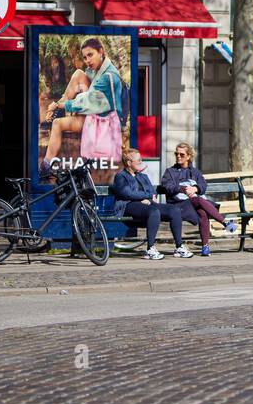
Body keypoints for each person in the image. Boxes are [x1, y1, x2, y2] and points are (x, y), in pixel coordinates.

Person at [44, 38, 125, 167]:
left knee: (57, 123)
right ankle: (55, 110)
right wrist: (58, 104)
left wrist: (60, 105)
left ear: (101, 51)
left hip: (102, 121)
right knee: (78, 74)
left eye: (90, 55)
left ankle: (46, 166)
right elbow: (85, 90)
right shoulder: (99, 69)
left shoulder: (107, 77)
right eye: (85, 57)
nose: (87, 60)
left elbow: (88, 103)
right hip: (96, 113)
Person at [158, 142, 236, 257]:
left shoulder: (195, 172)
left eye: (182, 154)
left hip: (193, 203)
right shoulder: (170, 172)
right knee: (199, 201)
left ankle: (205, 247)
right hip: (177, 205)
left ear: (189, 157)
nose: (178, 156)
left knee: (203, 212)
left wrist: (195, 188)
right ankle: (224, 222)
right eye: (176, 154)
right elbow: (166, 186)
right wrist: (182, 189)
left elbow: (203, 186)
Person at [111, 149, 165, 260]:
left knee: (174, 210)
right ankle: (150, 249)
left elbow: (152, 191)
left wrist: (148, 198)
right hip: (128, 206)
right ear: (129, 163)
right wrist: (146, 197)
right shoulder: (121, 176)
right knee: (154, 211)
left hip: (145, 205)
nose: (141, 161)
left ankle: (179, 247)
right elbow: (127, 194)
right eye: (139, 160)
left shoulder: (142, 176)